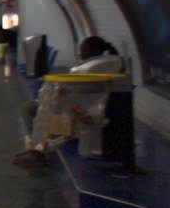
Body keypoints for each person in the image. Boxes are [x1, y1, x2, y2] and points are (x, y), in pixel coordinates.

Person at [14, 36, 123, 168]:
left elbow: (89, 89)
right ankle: (37, 147)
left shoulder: (98, 67)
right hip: (71, 101)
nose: (81, 53)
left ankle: (38, 148)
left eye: (85, 51)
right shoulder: (90, 65)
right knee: (32, 109)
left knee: (36, 111)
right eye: (81, 50)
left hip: (77, 104)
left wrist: (61, 91)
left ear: (96, 50)